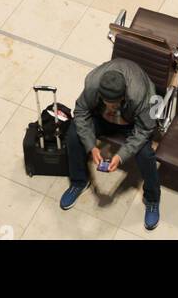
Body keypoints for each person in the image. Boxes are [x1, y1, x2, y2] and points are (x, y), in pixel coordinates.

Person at [61, 60, 160, 230]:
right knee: (73, 134)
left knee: (146, 155)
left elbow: (145, 129)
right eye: (106, 102)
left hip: (133, 123)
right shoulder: (93, 83)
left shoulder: (141, 95)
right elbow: (81, 111)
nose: (111, 107)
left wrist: (120, 156)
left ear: (123, 97)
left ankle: (152, 198)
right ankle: (79, 181)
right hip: (103, 118)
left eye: (114, 104)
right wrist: (91, 146)